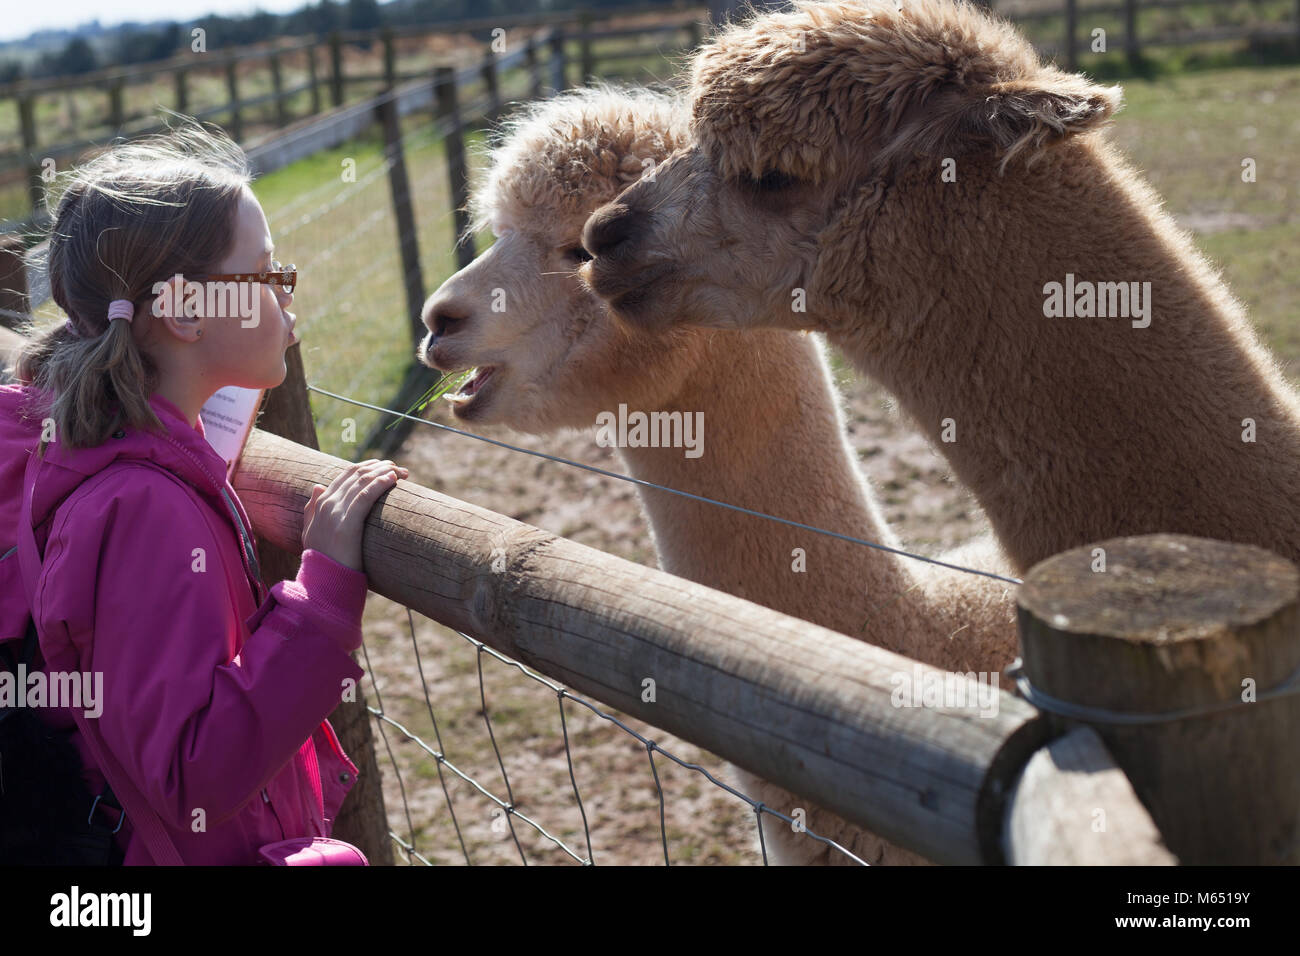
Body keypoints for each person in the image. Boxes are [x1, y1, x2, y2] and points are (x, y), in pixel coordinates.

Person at [0, 122, 408, 864]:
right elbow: (195, 773)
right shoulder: (141, 507)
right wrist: (321, 604)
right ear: (186, 312)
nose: (287, 289)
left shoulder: (108, 450)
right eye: (263, 271)